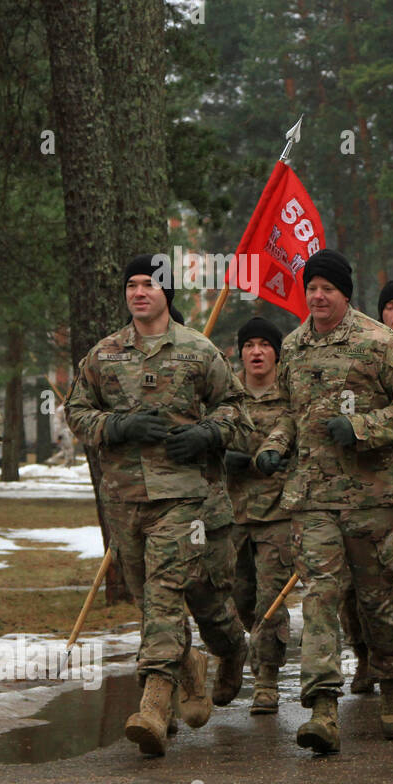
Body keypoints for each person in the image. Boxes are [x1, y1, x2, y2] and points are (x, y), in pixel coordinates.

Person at [66, 254, 251, 755]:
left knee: (170, 595)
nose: (139, 292)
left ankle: (153, 702)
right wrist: (116, 426)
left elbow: (237, 409)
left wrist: (207, 433)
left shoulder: (198, 351)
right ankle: (191, 665)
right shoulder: (104, 354)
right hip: (124, 499)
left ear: (167, 293)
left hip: (184, 498)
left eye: (149, 284)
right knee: (150, 601)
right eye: (132, 284)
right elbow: (76, 411)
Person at [256, 249, 393, 753]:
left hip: (372, 500)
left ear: (344, 294)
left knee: (377, 601)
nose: (317, 296)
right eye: (311, 288)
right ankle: (323, 707)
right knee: (320, 596)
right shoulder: (293, 346)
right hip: (312, 498)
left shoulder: (378, 342)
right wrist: (274, 445)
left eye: (327, 288)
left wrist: (364, 427)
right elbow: (289, 412)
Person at [225, 317, 293, 714]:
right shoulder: (226, 395)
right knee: (238, 596)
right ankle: (236, 656)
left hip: (277, 512)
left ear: (276, 353)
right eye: (249, 345)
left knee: (271, 598)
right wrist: (222, 457)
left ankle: (267, 679)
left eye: (264, 345)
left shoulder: (290, 395)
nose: (256, 352)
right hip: (232, 513)